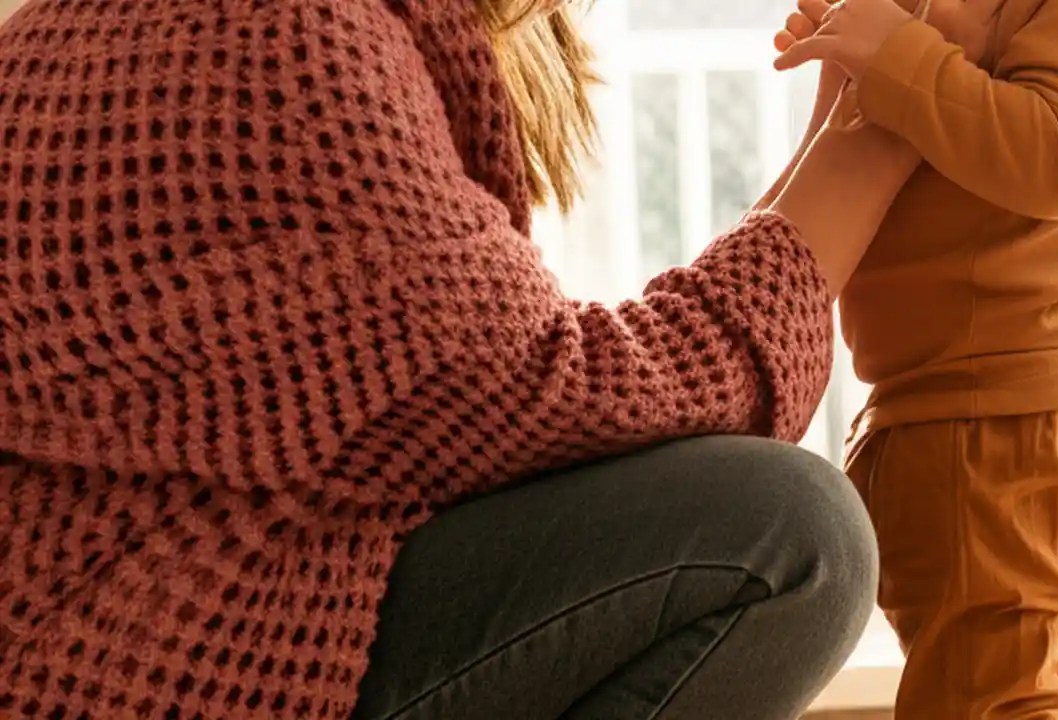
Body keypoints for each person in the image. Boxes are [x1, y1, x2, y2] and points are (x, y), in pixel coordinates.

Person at [0, 0, 970, 718]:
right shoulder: (285, 45)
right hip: (143, 658)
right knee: (795, 538)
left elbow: (473, 394)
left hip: (148, 607)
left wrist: (836, 122)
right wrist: (883, 131)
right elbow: (564, 397)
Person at [771, 0, 1058, 716]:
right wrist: (855, 70)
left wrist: (896, 55)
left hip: (1006, 414)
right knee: (975, 684)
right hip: (951, 410)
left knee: (990, 698)